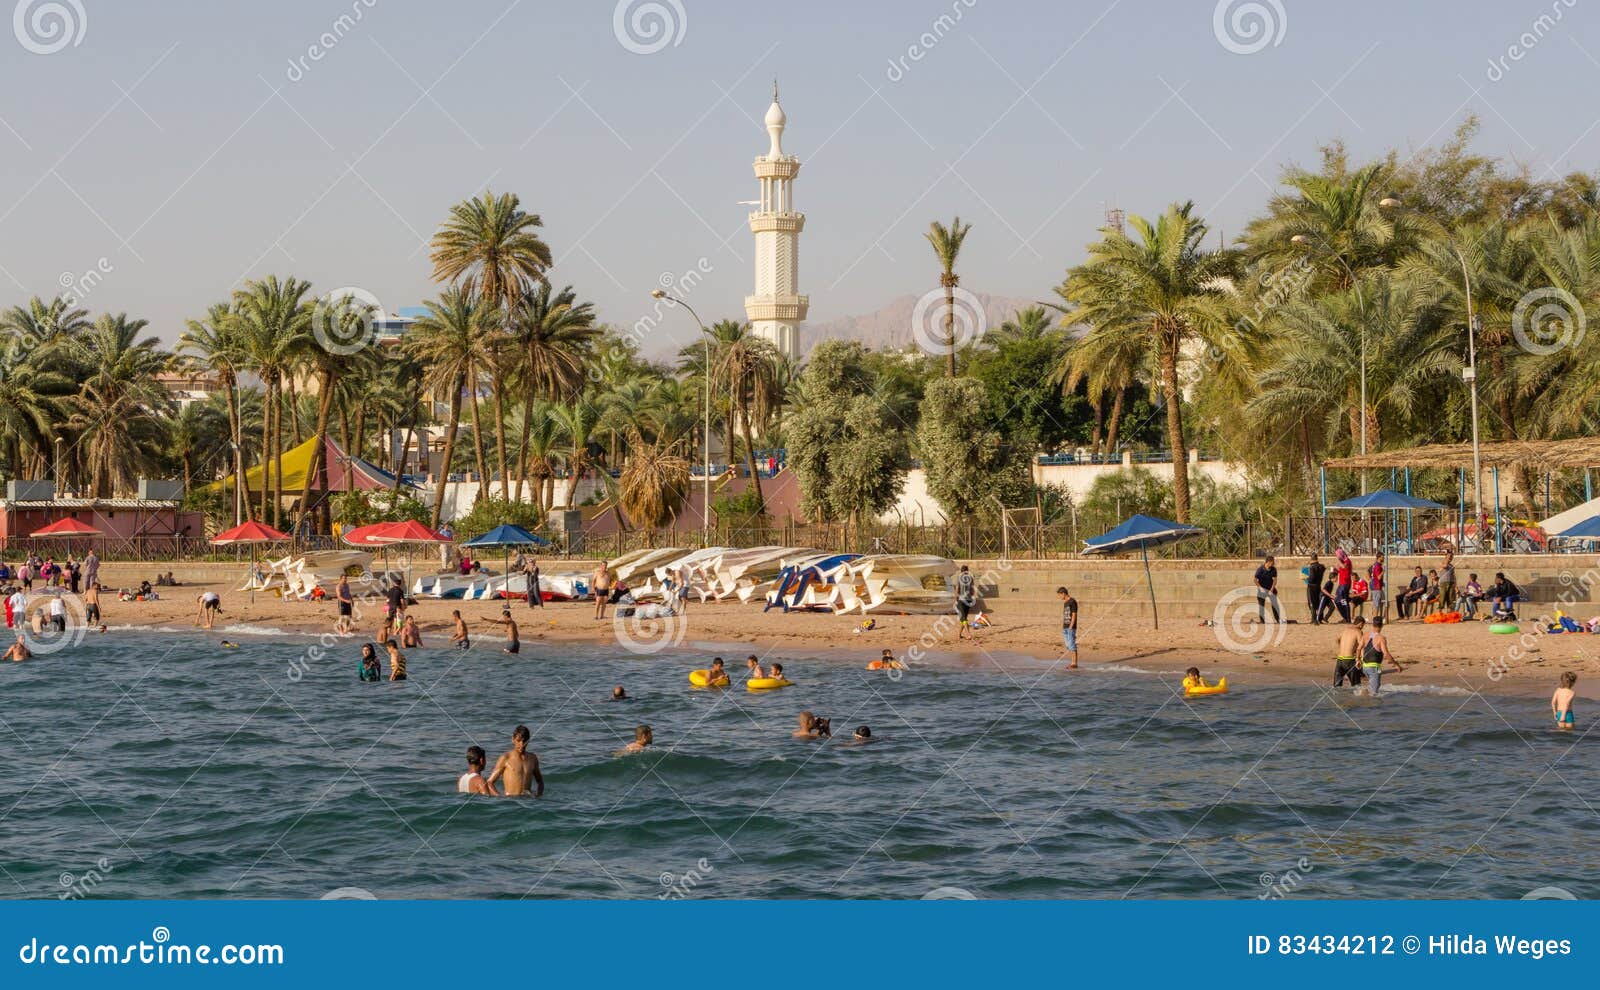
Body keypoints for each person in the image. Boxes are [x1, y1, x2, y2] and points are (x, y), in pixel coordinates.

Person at [487, 725, 544, 797]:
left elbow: (540, 781)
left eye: (524, 741)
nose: (522, 744)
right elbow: (489, 782)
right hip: (511, 802)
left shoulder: (533, 758)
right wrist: (499, 797)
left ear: (528, 740)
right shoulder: (506, 758)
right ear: (513, 739)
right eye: (518, 741)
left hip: (528, 802)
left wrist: (538, 795)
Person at [1361, 617, 1402, 695]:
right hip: (1375, 668)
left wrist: (1359, 659)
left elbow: (1359, 648)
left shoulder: (1365, 635)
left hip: (1365, 667)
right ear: (1382, 626)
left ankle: (1364, 696)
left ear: (1372, 625)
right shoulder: (1381, 638)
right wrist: (1396, 665)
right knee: (1374, 693)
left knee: (1376, 685)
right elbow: (1386, 654)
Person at [1333, 618, 1365, 687]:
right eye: (1363, 625)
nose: (1362, 627)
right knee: (1357, 686)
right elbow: (1361, 646)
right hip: (1349, 661)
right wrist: (1361, 660)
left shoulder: (1345, 630)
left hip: (1340, 660)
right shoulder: (1358, 631)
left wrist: (1341, 648)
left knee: (1336, 687)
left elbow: (1337, 639)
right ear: (1360, 624)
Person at [1056, 586, 1079, 669]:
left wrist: (1070, 626)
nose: (1059, 597)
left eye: (1059, 595)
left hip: (1070, 627)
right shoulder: (1065, 602)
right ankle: (1072, 662)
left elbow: (1074, 615)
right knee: (1068, 645)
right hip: (1065, 627)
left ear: (1063, 593)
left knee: (1072, 645)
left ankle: (1074, 663)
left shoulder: (1072, 601)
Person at [1254, 556, 1280, 624]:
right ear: (1268, 562)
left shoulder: (1273, 569)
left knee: (1275, 605)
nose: (1273, 563)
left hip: (1270, 589)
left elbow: (1275, 580)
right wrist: (1260, 588)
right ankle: (1262, 620)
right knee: (1261, 605)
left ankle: (1277, 619)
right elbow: (1255, 580)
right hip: (1262, 590)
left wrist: (1272, 589)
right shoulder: (1260, 569)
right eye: (1272, 562)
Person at [954, 564, 977, 639]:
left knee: (964, 618)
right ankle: (959, 634)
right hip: (968, 600)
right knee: (963, 618)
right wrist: (973, 597)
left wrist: (955, 600)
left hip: (961, 600)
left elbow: (957, 589)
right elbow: (972, 589)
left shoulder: (959, 577)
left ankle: (968, 634)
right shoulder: (971, 577)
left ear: (961, 570)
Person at [1332, 549, 1354, 623]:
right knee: (1337, 601)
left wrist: (1338, 561)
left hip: (1345, 584)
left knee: (1344, 601)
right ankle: (1345, 617)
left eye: (1338, 555)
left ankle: (1348, 619)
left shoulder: (1347, 561)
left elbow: (1344, 567)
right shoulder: (1342, 562)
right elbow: (1339, 569)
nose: (1337, 557)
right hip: (1341, 584)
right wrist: (1335, 569)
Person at [1304, 554, 1326, 625]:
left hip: (1311, 586)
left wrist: (1307, 578)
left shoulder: (1312, 567)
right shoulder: (1321, 566)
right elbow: (1323, 568)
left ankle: (1313, 619)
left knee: (1312, 603)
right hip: (1318, 585)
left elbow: (1312, 578)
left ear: (1311, 559)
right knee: (1318, 602)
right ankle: (1320, 618)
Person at [1368, 552, 1388, 621]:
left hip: (1375, 586)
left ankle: (1375, 617)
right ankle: (1374, 618)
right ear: (1379, 558)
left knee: (1376, 603)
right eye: (1382, 557)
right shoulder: (1377, 566)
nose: (1383, 558)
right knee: (1376, 604)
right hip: (1376, 587)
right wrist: (1383, 571)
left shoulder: (1375, 565)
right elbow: (1378, 577)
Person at [1439, 549, 1457, 614]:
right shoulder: (1442, 563)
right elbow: (1445, 566)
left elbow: (1453, 576)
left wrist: (1455, 586)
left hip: (1451, 583)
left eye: (1451, 557)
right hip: (1443, 583)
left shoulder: (1452, 566)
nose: (1450, 558)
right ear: (1446, 556)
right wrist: (1447, 558)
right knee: (1442, 597)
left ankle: (1450, 612)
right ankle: (1440, 611)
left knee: (1450, 598)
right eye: (1449, 557)